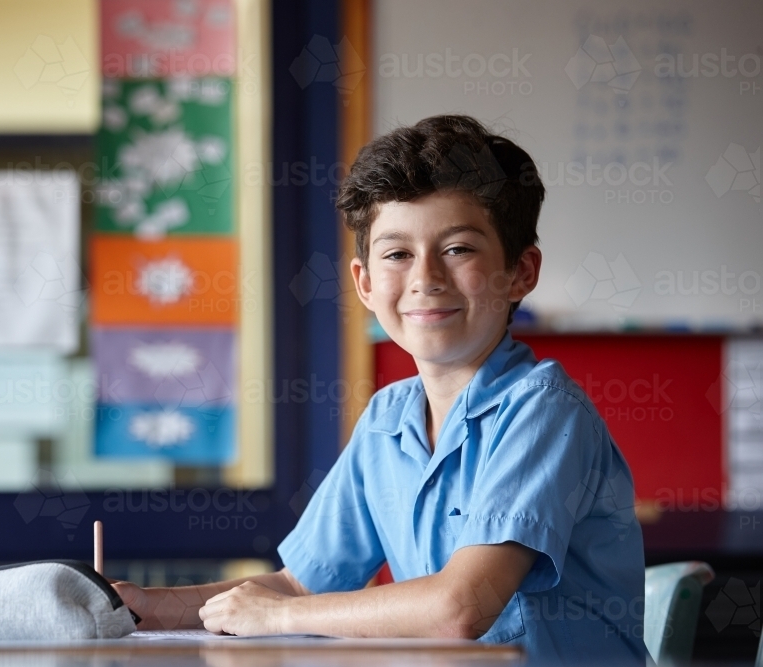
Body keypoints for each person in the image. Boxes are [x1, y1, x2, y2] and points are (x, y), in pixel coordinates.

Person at [113, 115, 647, 664]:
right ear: (365, 283)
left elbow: (461, 608)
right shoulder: (387, 418)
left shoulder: (542, 408)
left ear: (521, 272)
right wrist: (146, 608)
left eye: (458, 249)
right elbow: (299, 585)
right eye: (397, 254)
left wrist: (279, 617)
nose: (425, 278)